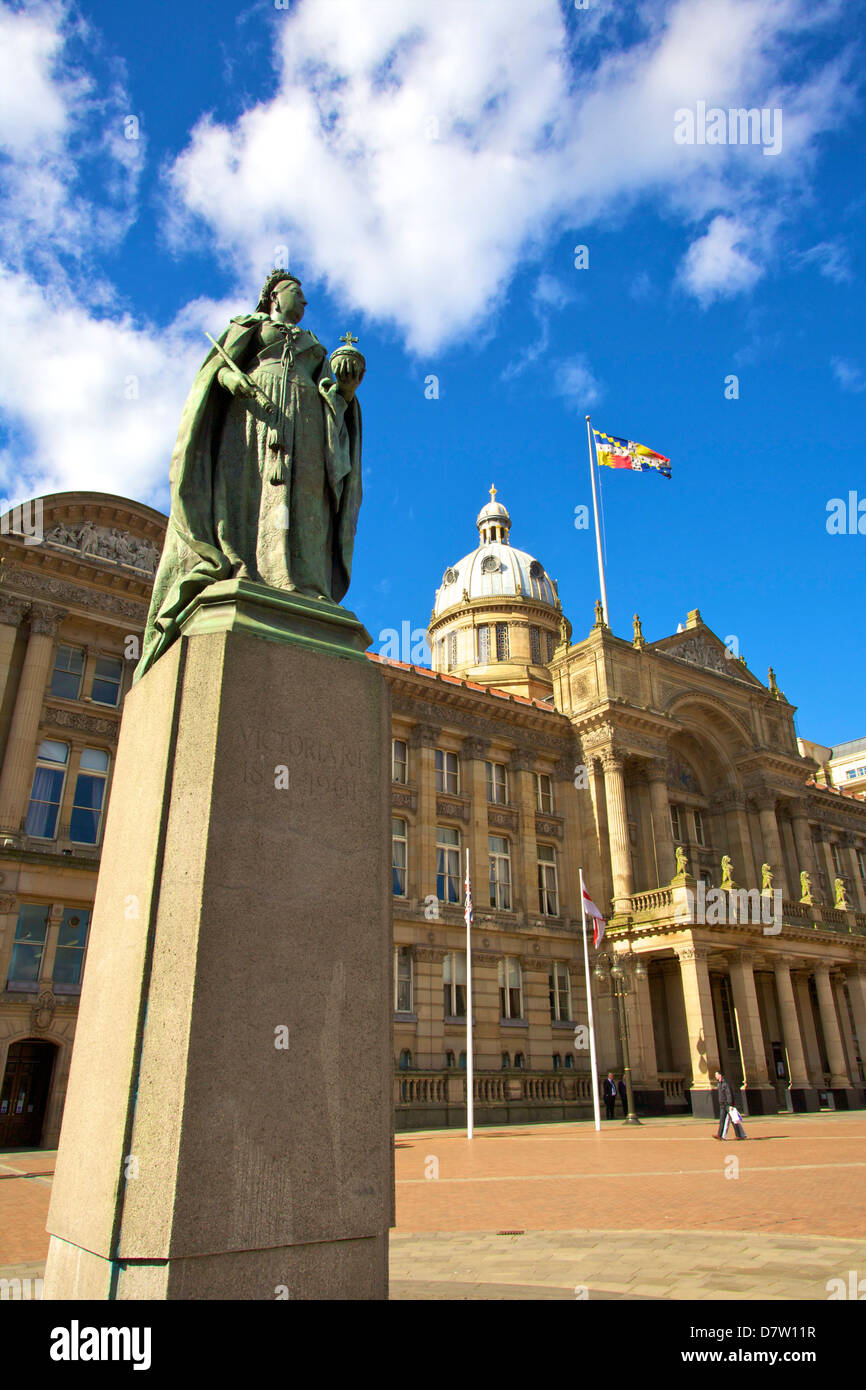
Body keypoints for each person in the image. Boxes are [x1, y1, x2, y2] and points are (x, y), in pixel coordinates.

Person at [136, 269, 364, 681]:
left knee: (308, 498)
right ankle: (243, 566)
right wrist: (230, 378)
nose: (305, 301)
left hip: (308, 425)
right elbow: (211, 375)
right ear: (275, 296)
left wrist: (345, 389)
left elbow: (334, 394)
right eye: (298, 292)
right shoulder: (249, 328)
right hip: (253, 415)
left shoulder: (315, 344)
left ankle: (304, 582)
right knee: (248, 491)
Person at [713, 1070, 747, 1140]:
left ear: (720, 1075)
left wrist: (731, 1104)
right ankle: (720, 1134)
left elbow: (729, 1094)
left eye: (716, 1075)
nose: (715, 1076)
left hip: (727, 1105)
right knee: (722, 1120)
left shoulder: (725, 1084)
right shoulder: (719, 1084)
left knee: (734, 1120)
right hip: (722, 1105)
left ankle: (739, 1135)